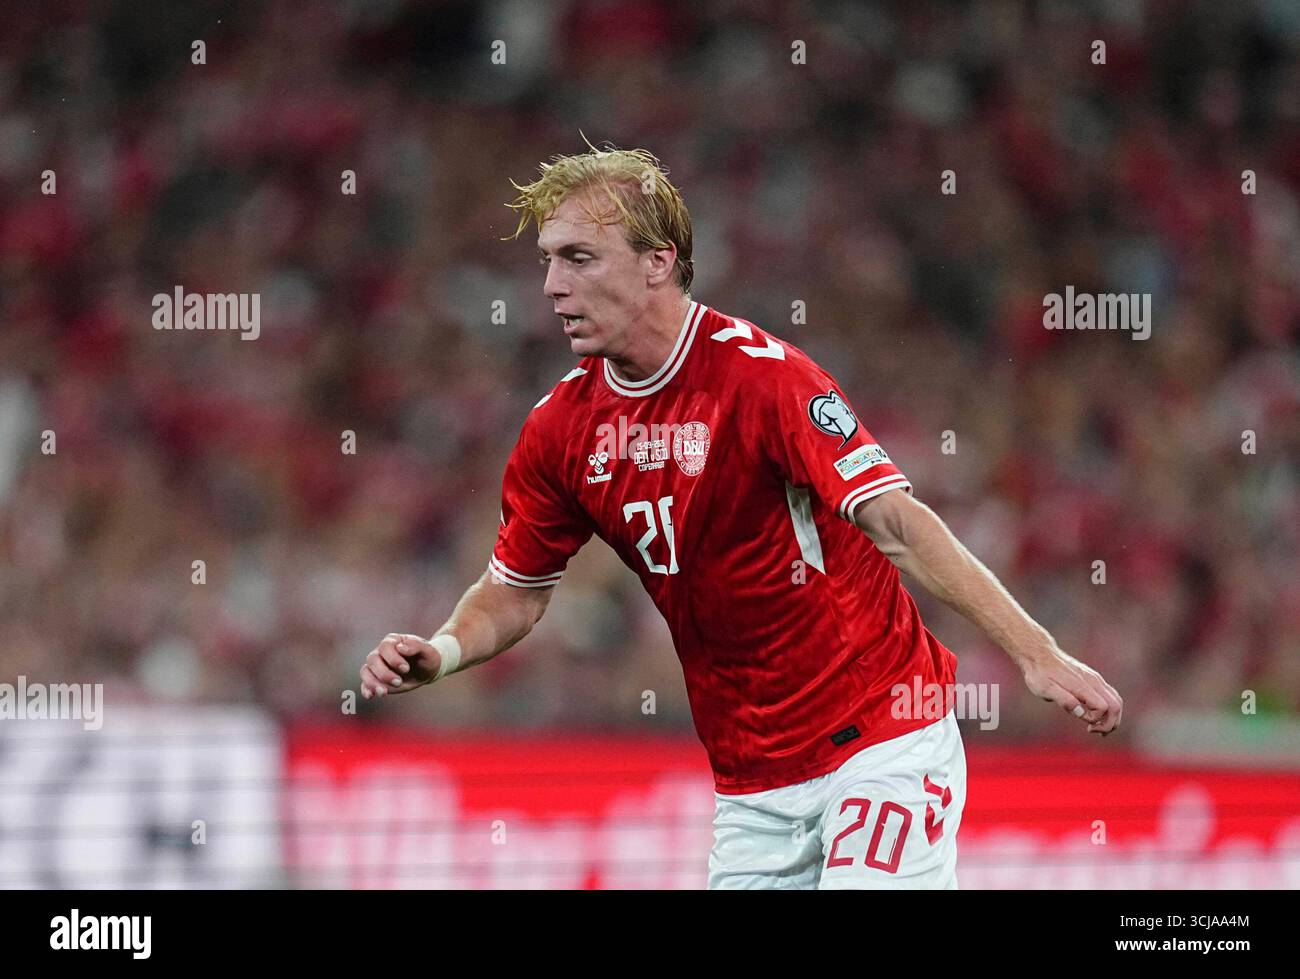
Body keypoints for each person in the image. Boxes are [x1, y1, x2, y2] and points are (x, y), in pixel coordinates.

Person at [359, 142, 1123, 889]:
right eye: (549, 261)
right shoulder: (559, 429)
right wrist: (444, 650)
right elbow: (517, 589)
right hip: (753, 785)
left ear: (658, 261)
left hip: (882, 737)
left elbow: (897, 522)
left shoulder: (765, 382)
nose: (554, 285)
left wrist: (1036, 652)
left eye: (579, 258)